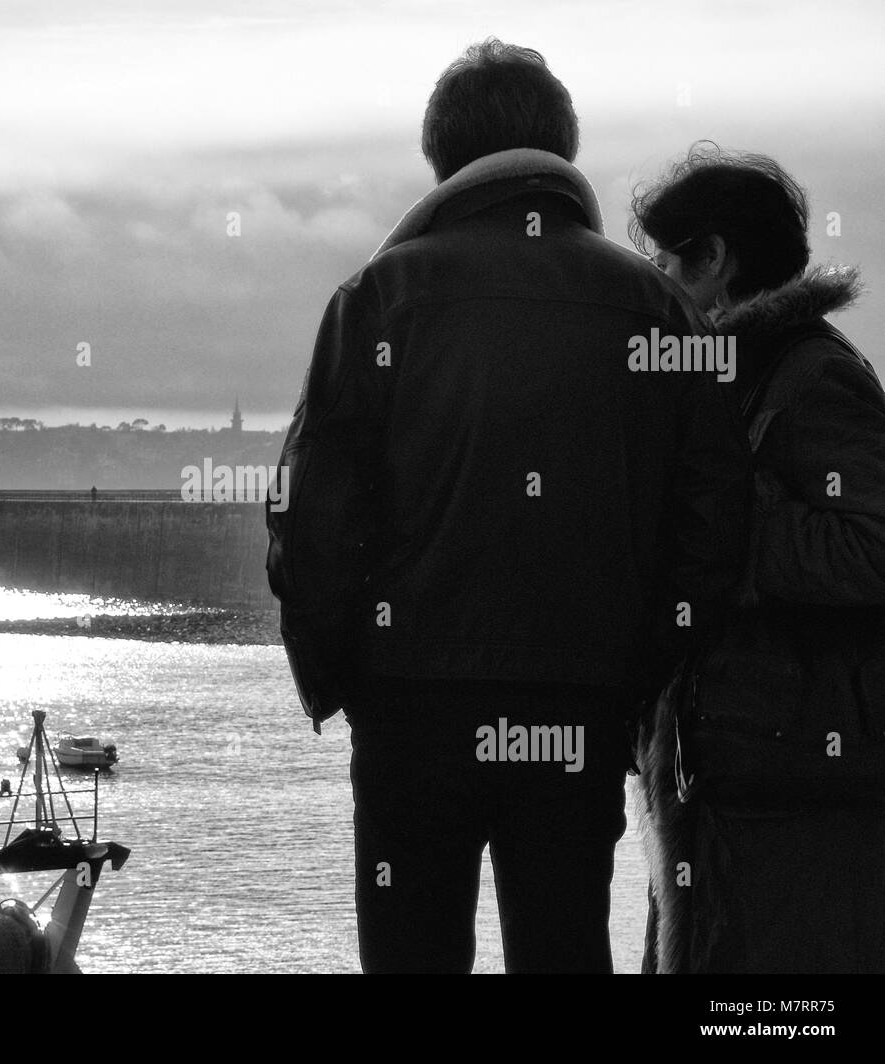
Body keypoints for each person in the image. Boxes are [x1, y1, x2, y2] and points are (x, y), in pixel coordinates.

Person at [265, 40, 751, 973]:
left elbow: (312, 518)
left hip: (410, 710)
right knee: (566, 948)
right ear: (561, 153)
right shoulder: (658, 310)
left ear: (442, 160)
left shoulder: (380, 297)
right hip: (576, 706)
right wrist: (635, 675)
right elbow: (713, 525)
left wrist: (339, 677)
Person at [632, 145, 885, 973]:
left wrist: (719, 529)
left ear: (716, 260)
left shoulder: (811, 378)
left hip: (796, 787)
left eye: (668, 260)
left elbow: (872, 548)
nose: (657, 282)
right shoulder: (737, 374)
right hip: (740, 775)